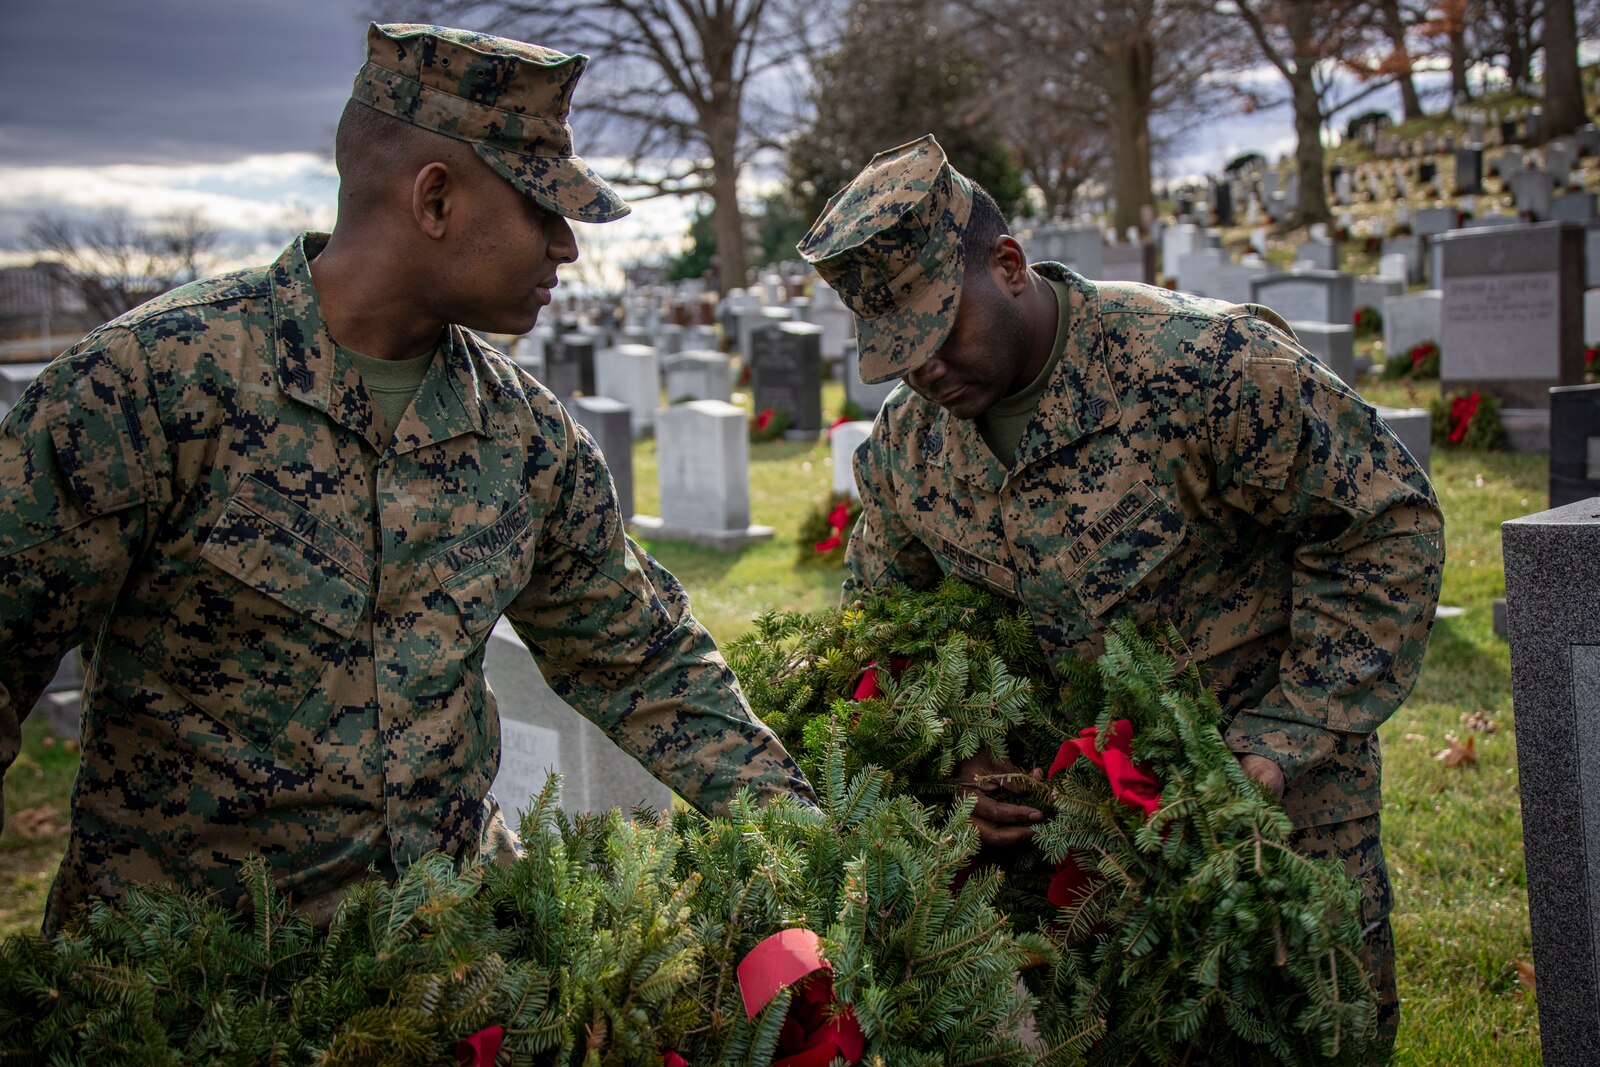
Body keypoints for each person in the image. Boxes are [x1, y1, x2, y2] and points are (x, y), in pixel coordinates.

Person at [0, 22, 812, 933]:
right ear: (435, 200)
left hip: (446, 966)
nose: (566, 247)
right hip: (185, 989)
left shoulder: (527, 437)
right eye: (542, 208)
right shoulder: (151, 386)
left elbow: (643, 657)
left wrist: (818, 843)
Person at [797, 134, 1444, 1057]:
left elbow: (1383, 525)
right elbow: (887, 629)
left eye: (938, 331)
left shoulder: (1206, 368)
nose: (924, 370)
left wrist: (1282, 737)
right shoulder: (911, 451)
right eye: (896, 352)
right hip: (1070, 859)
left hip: (1270, 820)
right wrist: (961, 760)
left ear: (1010, 266)